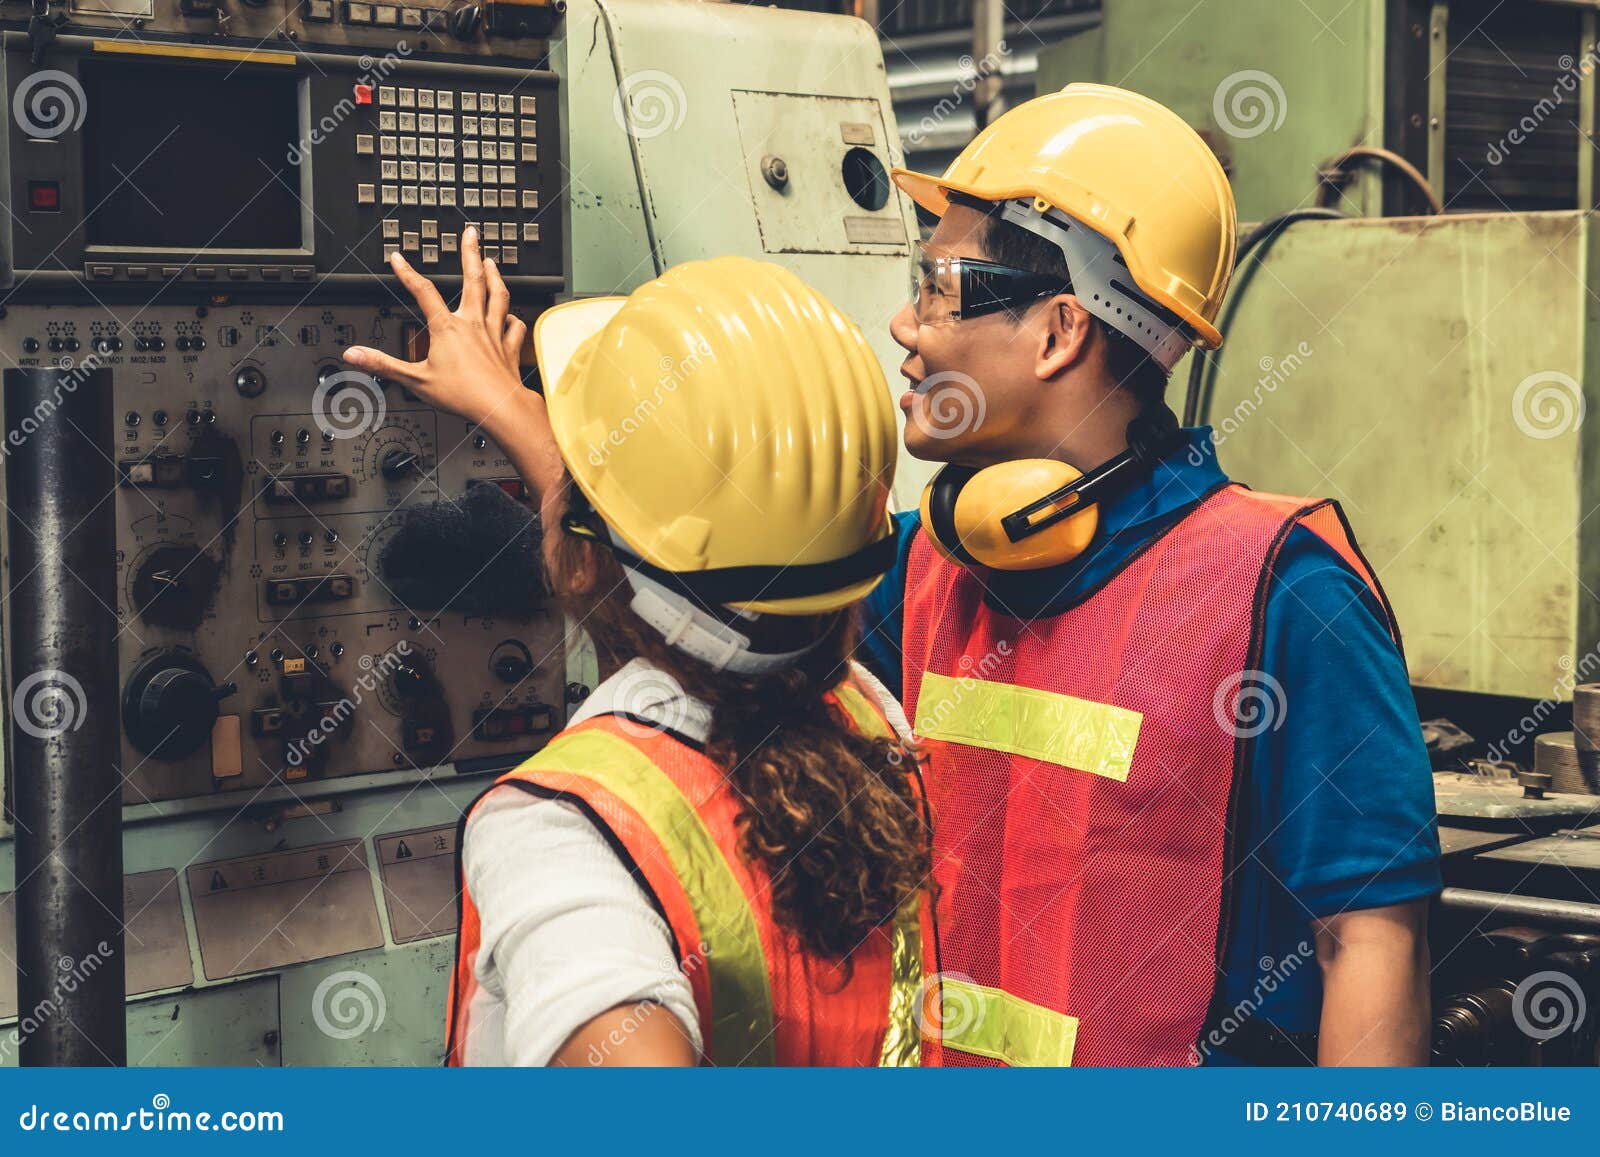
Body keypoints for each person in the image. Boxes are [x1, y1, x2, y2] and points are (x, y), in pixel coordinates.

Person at [856, 83, 1440, 1066]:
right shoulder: (918, 570)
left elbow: (1368, 942)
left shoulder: (1283, 591)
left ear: (1056, 330)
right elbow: (698, 652)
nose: (905, 329)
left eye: (936, 288)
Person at [344, 237, 932, 1066]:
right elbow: (687, 553)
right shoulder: (877, 723)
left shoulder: (565, 831)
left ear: (582, 554)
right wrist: (511, 407)